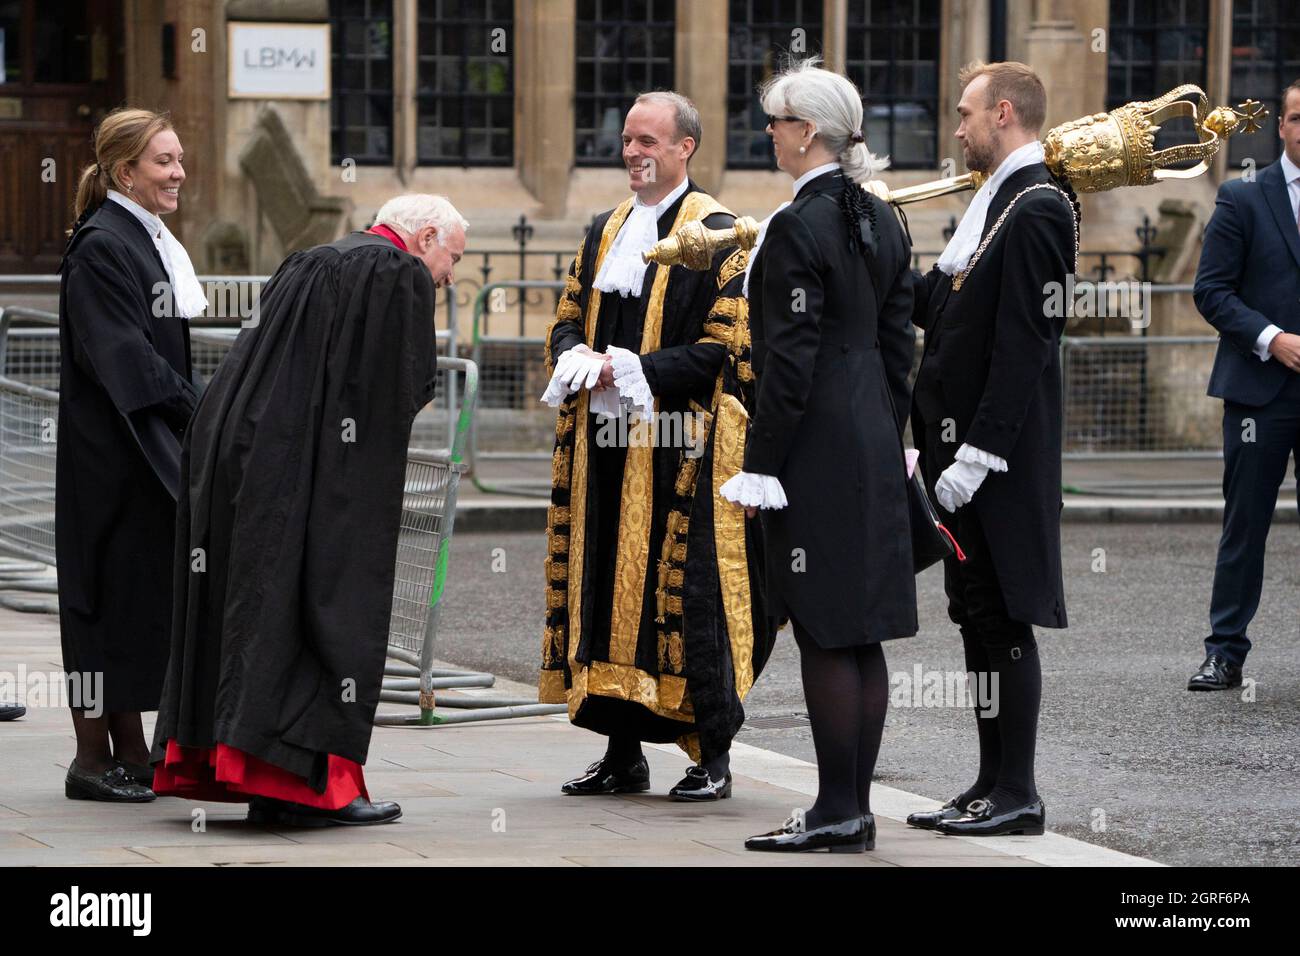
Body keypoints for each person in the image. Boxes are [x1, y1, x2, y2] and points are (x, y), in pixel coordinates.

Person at [149, 194, 465, 826]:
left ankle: (249, 771)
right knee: (324, 605)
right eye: (452, 260)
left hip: (240, 452)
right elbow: (399, 390)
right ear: (425, 236)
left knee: (253, 608)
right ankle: (311, 786)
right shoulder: (396, 273)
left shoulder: (313, 258)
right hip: (316, 471)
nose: (450, 278)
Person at [538, 91, 775, 801]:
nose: (633, 153)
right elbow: (568, 316)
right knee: (607, 590)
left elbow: (728, 348)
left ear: (684, 148)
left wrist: (632, 369)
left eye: (648, 141)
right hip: (604, 446)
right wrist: (576, 357)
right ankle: (622, 753)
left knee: (687, 600)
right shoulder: (602, 229)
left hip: (682, 452)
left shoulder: (723, 233)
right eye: (627, 141)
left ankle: (714, 756)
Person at [719, 60, 917, 853]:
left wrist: (763, 460)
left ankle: (838, 809)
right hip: (868, 432)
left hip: (814, 444)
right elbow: (900, 342)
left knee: (825, 630)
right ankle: (851, 806)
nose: (769, 132)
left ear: (808, 132)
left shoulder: (801, 224)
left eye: (778, 121)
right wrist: (883, 424)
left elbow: (790, 358)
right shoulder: (882, 213)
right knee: (856, 628)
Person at [903, 62, 1077, 837]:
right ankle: (986, 779)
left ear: (1003, 113)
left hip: (997, 461)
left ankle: (1020, 792)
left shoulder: (1039, 206)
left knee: (1005, 618)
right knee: (975, 616)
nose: (959, 127)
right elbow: (938, 308)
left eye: (967, 113)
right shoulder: (995, 200)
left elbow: (1028, 343)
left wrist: (980, 454)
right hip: (958, 451)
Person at [57, 107, 205, 802]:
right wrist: (199, 410)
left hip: (139, 448)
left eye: (178, 159)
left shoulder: (141, 237)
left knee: (132, 601)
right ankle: (90, 761)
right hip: (109, 457)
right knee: (99, 604)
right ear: (125, 172)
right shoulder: (101, 245)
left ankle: (135, 752)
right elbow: (125, 359)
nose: (178, 173)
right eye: (164, 162)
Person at [1187, 79, 1300, 691]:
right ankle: (1224, 652)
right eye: (1298, 118)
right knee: (1245, 527)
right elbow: (1211, 291)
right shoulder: (1242, 197)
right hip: (1260, 391)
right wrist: (1272, 339)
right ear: (1281, 127)